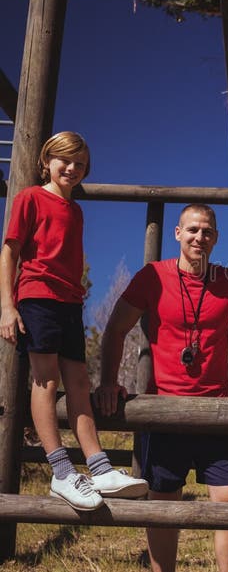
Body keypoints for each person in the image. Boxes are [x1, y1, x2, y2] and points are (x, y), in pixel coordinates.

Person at [95, 203, 228, 572]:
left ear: (215, 237)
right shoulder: (152, 277)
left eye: (207, 231)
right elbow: (116, 328)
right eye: (192, 229)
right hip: (167, 409)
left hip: (216, 411)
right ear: (177, 233)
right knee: (163, 507)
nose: (199, 237)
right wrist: (107, 382)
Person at [0, 131, 148, 511]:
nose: (72, 168)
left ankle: (99, 467)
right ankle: (61, 470)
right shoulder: (30, 198)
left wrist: (78, 297)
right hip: (36, 296)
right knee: (45, 380)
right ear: (46, 161)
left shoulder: (76, 210)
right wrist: (7, 305)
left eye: (80, 164)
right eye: (65, 160)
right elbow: (10, 252)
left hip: (70, 302)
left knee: (80, 382)